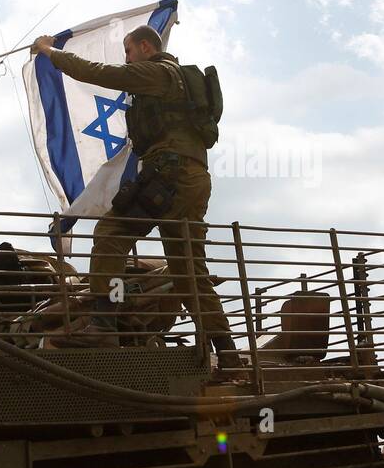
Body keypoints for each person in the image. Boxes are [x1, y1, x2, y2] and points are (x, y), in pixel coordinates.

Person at [31, 26, 235, 360]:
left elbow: (97, 73)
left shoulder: (156, 72)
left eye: (128, 51)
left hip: (168, 175)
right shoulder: (181, 81)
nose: (126, 58)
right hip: (194, 179)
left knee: (111, 232)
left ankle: (103, 325)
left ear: (145, 47)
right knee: (188, 270)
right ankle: (227, 351)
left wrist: (50, 52)